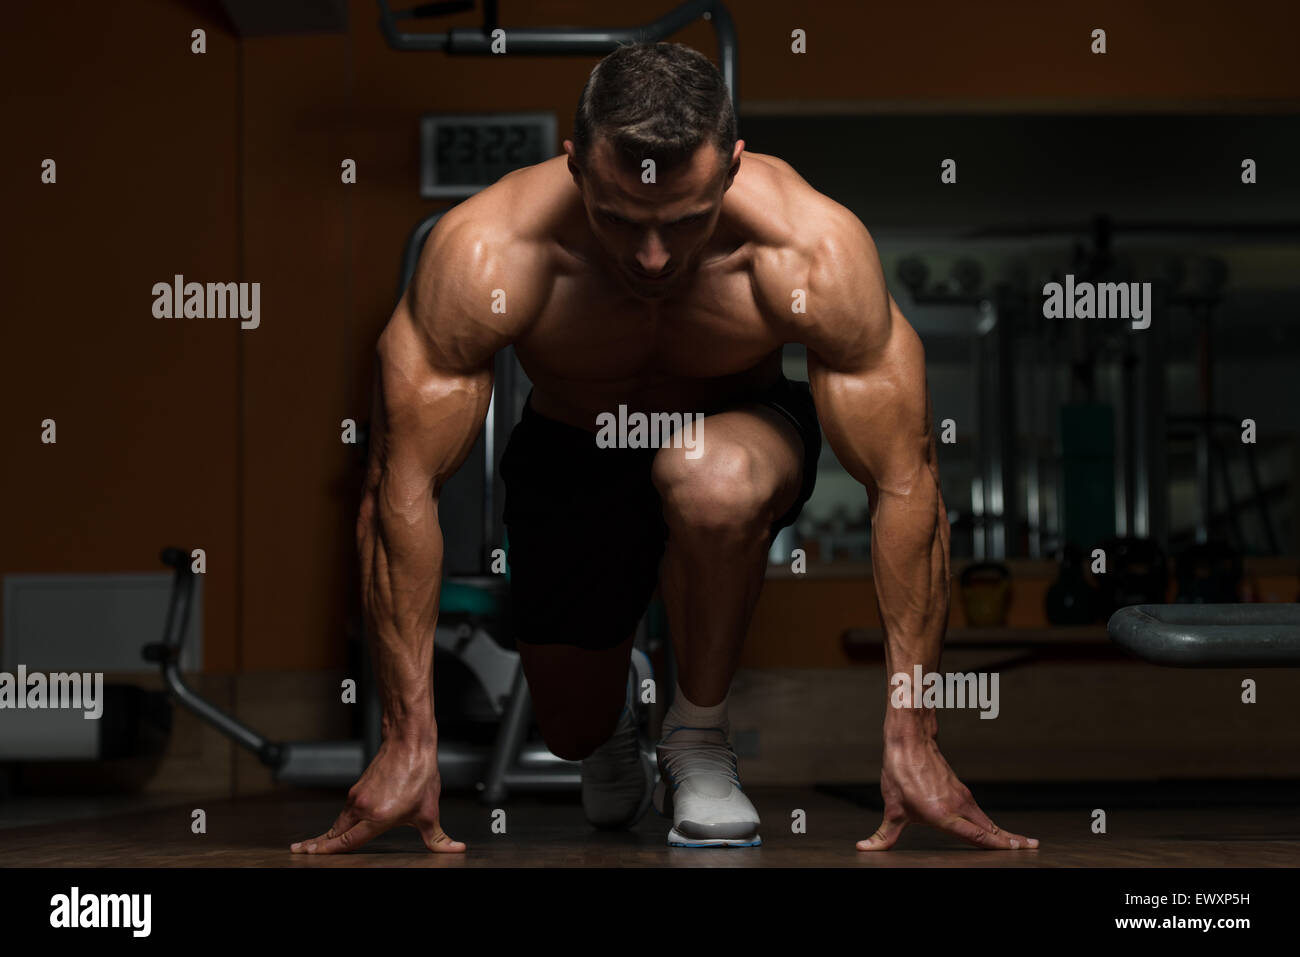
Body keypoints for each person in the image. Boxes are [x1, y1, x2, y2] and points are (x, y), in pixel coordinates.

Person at [291, 41, 1037, 854]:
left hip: (739, 426)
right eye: (619, 218)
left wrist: (915, 736)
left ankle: (698, 740)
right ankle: (612, 720)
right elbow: (396, 487)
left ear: (732, 169)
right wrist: (408, 740)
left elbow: (908, 484)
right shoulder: (487, 254)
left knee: (711, 479)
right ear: (576, 167)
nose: (652, 258)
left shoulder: (811, 251)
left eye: (684, 223)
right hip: (573, 449)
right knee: (570, 727)